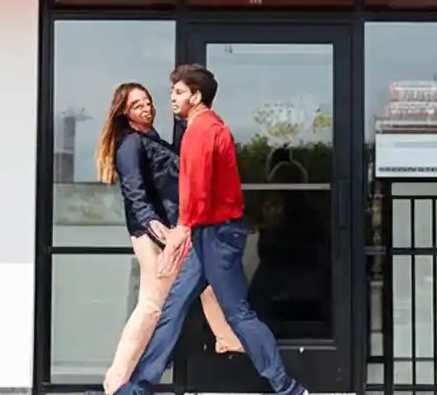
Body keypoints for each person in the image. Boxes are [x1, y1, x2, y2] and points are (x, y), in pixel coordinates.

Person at [116, 65, 308, 395]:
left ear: (196, 95)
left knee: (238, 314)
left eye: (178, 92)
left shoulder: (202, 131)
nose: (171, 98)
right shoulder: (201, 128)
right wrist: (187, 231)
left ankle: (288, 388)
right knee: (172, 310)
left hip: (217, 236)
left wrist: (181, 231)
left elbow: (199, 190)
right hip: (206, 234)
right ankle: (137, 389)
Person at [94, 82, 243, 395]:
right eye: (137, 105)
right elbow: (134, 190)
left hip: (170, 229)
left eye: (147, 101)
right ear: (124, 112)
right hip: (154, 235)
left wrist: (183, 116)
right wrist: (152, 224)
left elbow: (179, 165)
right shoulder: (131, 144)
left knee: (202, 279)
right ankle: (117, 381)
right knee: (151, 305)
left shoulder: (151, 139)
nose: (146, 108)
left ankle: (226, 337)